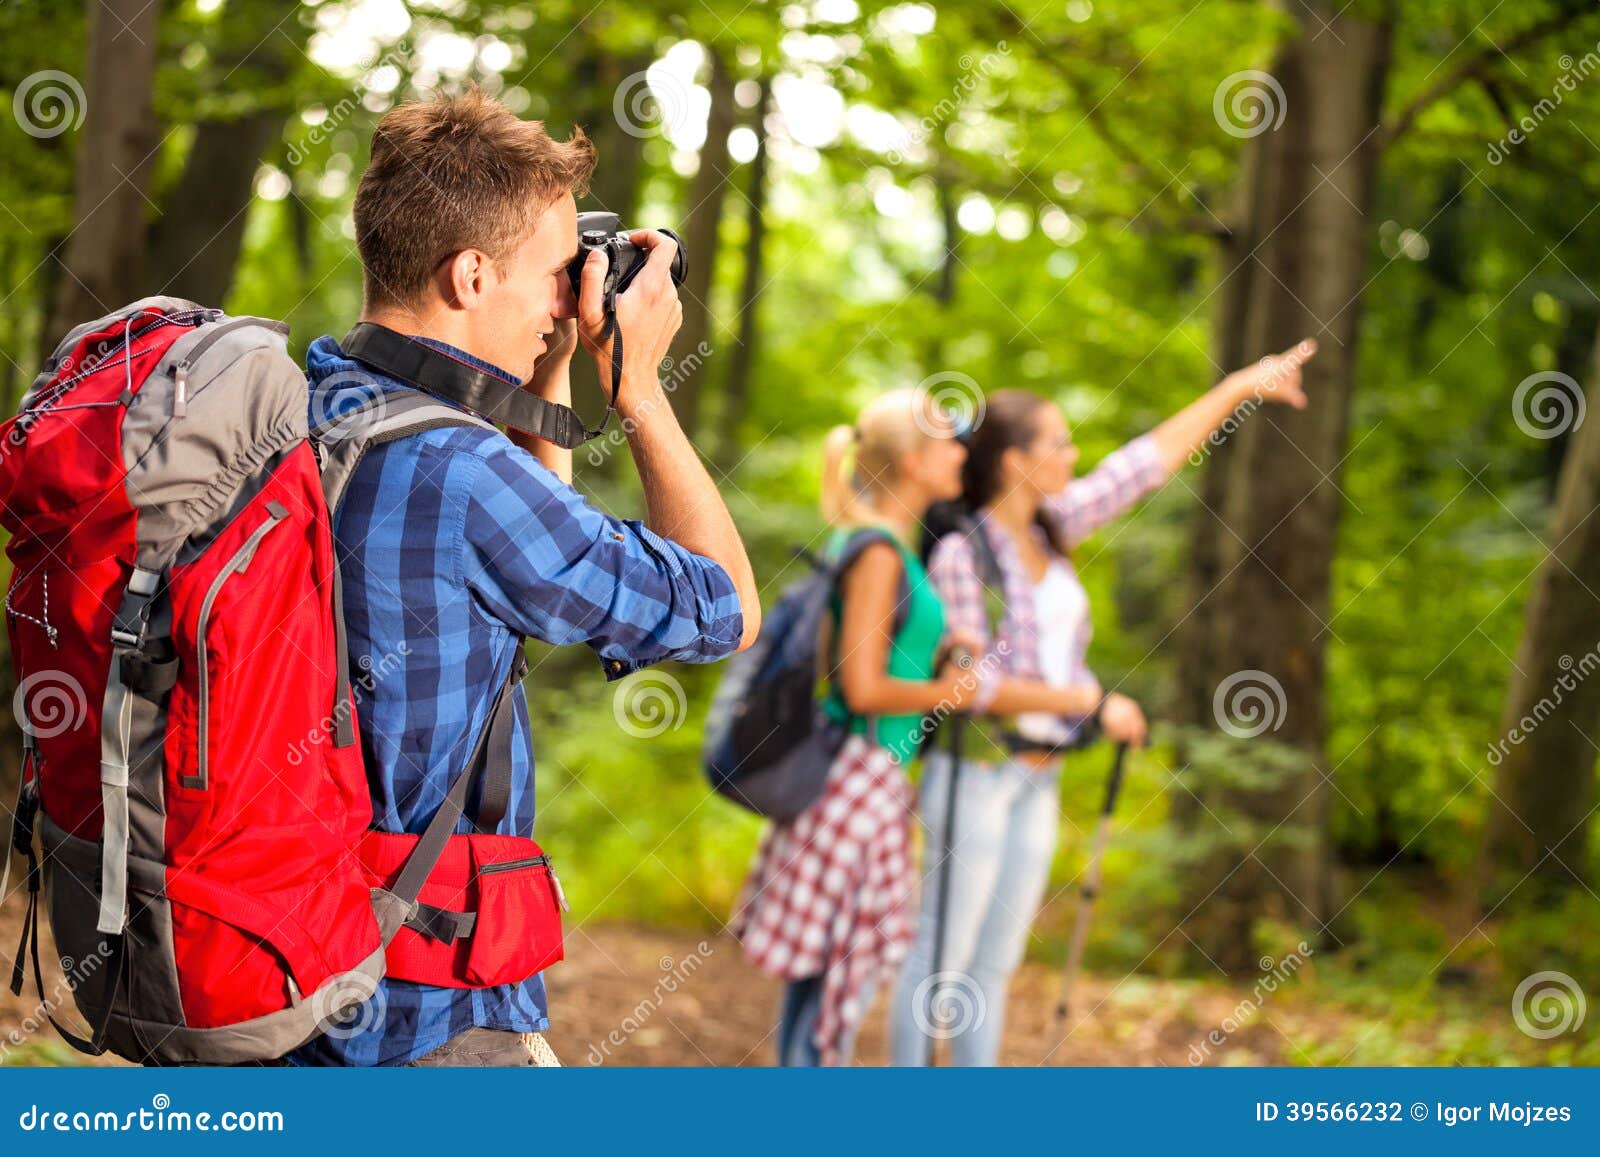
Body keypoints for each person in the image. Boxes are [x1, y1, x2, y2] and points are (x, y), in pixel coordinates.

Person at [287, 91, 759, 1067]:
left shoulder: (301, 405)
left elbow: (528, 540)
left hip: (270, 967)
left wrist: (542, 380)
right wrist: (636, 393)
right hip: (416, 1013)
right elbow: (724, 607)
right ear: (469, 274)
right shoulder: (466, 476)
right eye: (552, 277)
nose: (564, 301)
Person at [889, 342, 1316, 1066]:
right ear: (1019, 461)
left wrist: (1240, 386)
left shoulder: (1051, 529)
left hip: (1038, 778)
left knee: (995, 964)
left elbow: (1142, 465)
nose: (1074, 452)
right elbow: (972, 689)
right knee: (940, 957)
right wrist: (1086, 699)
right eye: (1060, 442)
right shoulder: (964, 555)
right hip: (976, 776)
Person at [730, 388, 973, 1066]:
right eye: (951, 442)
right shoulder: (878, 550)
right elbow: (860, 684)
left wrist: (941, 644)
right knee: (836, 987)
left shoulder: (888, 546)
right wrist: (949, 690)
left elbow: (879, 646)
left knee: (830, 984)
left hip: (867, 774)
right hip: (855, 775)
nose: (962, 454)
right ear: (917, 462)